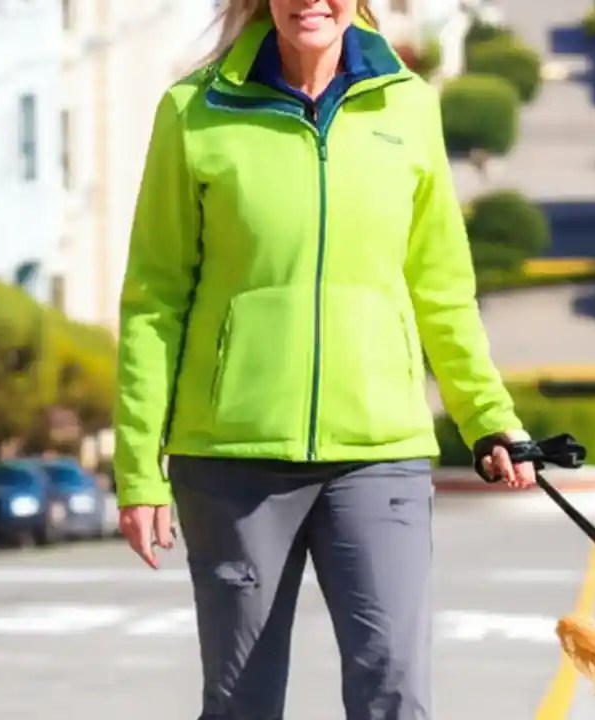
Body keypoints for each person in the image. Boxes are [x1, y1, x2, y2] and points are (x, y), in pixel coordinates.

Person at [112, 2, 535, 718]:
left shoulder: (408, 108)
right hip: (231, 460)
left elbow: (441, 288)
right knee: (242, 701)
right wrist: (136, 470)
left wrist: (489, 418)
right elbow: (154, 300)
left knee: (394, 691)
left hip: (379, 455)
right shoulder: (194, 111)